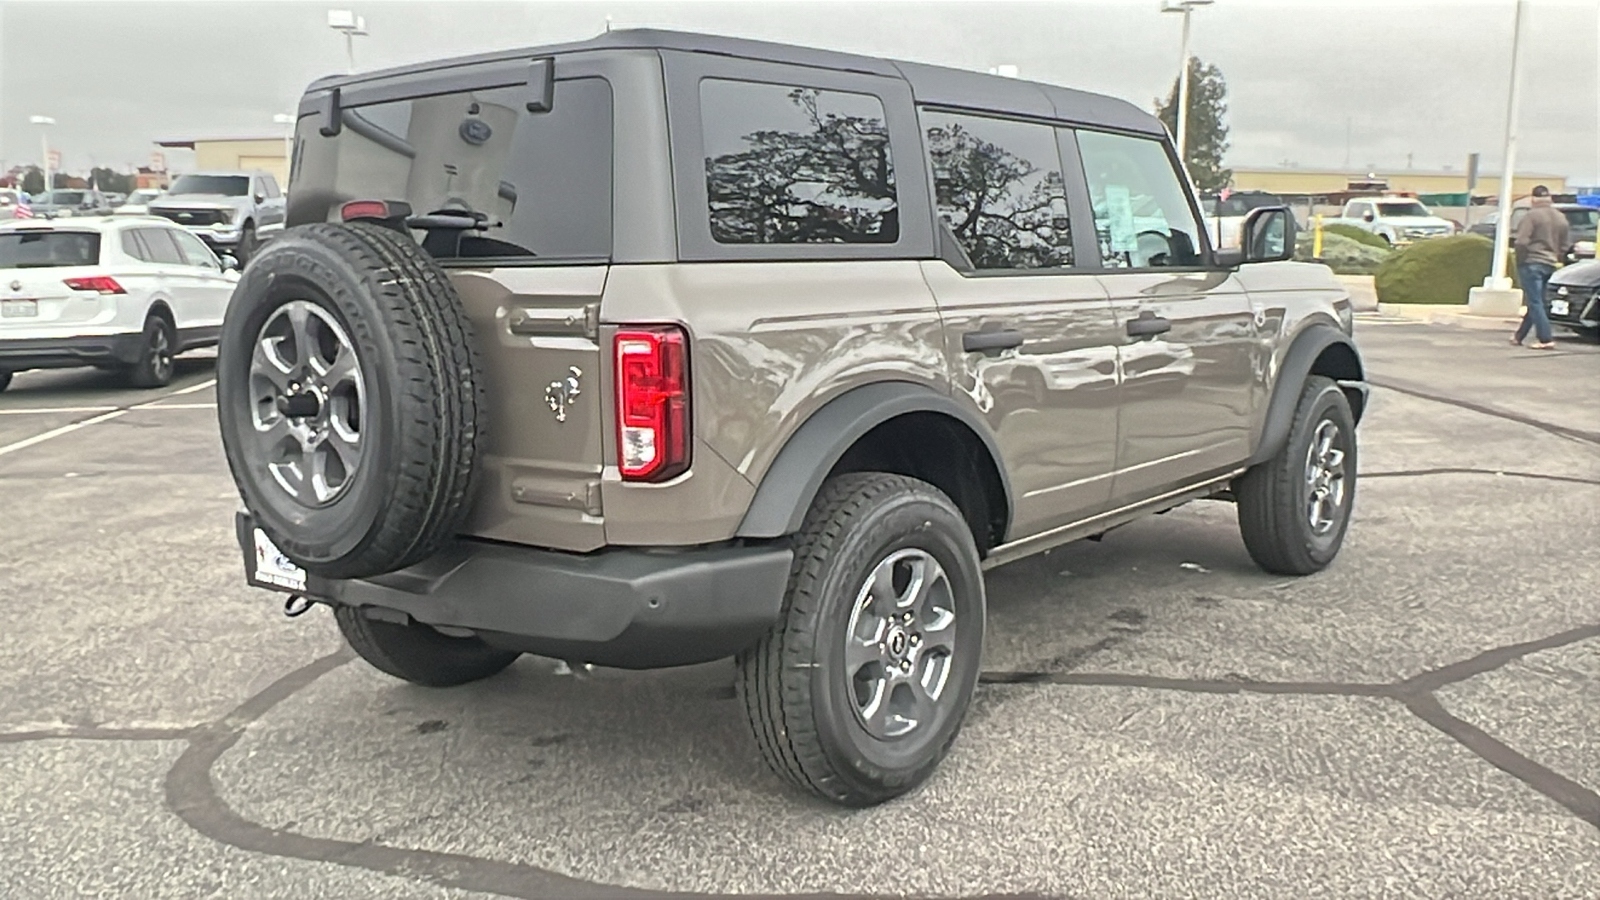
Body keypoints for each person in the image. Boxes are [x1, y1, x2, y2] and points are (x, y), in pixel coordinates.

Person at [1510, 185, 1569, 350]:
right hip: (1549, 263)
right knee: (1537, 301)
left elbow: (1521, 241)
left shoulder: (1531, 216)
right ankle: (1519, 336)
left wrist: (1521, 259)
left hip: (1532, 261)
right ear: (1549, 198)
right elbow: (1564, 245)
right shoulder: (1560, 217)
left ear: (1533, 199)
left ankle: (1545, 338)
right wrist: (1558, 258)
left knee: (1535, 301)